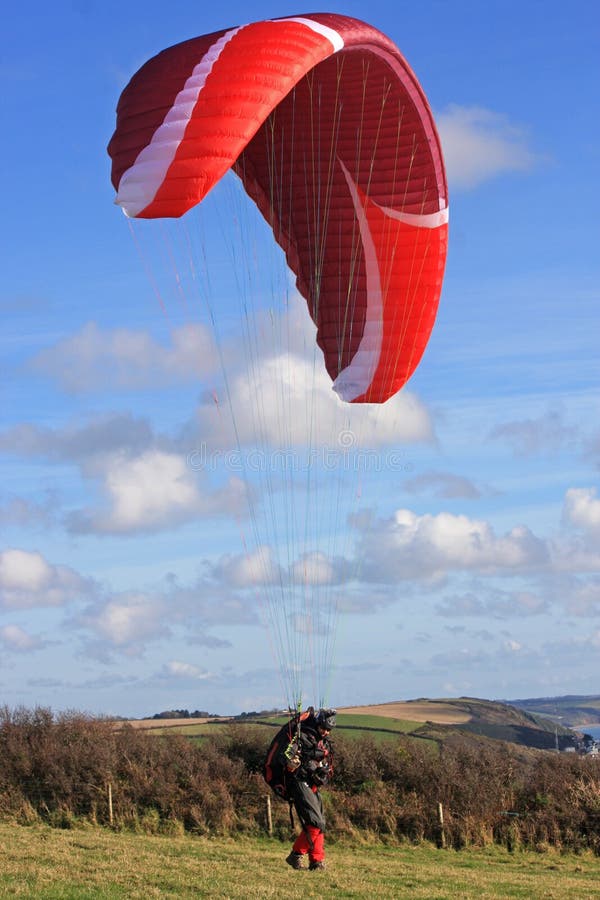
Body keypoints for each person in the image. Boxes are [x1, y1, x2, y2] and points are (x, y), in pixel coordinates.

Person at [285, 707, 336, 871]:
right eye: (323, 728)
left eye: (329, 730)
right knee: (316, 822)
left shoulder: (324, 742)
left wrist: (323, 772)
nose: (326, 732)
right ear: (317, 725)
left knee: (320, 824)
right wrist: (291, 762)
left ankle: (316, 861)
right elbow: (287, 755)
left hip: (313, 783)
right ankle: (296, 855)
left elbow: (326, 762)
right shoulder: (302, 737)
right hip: (299, 782)